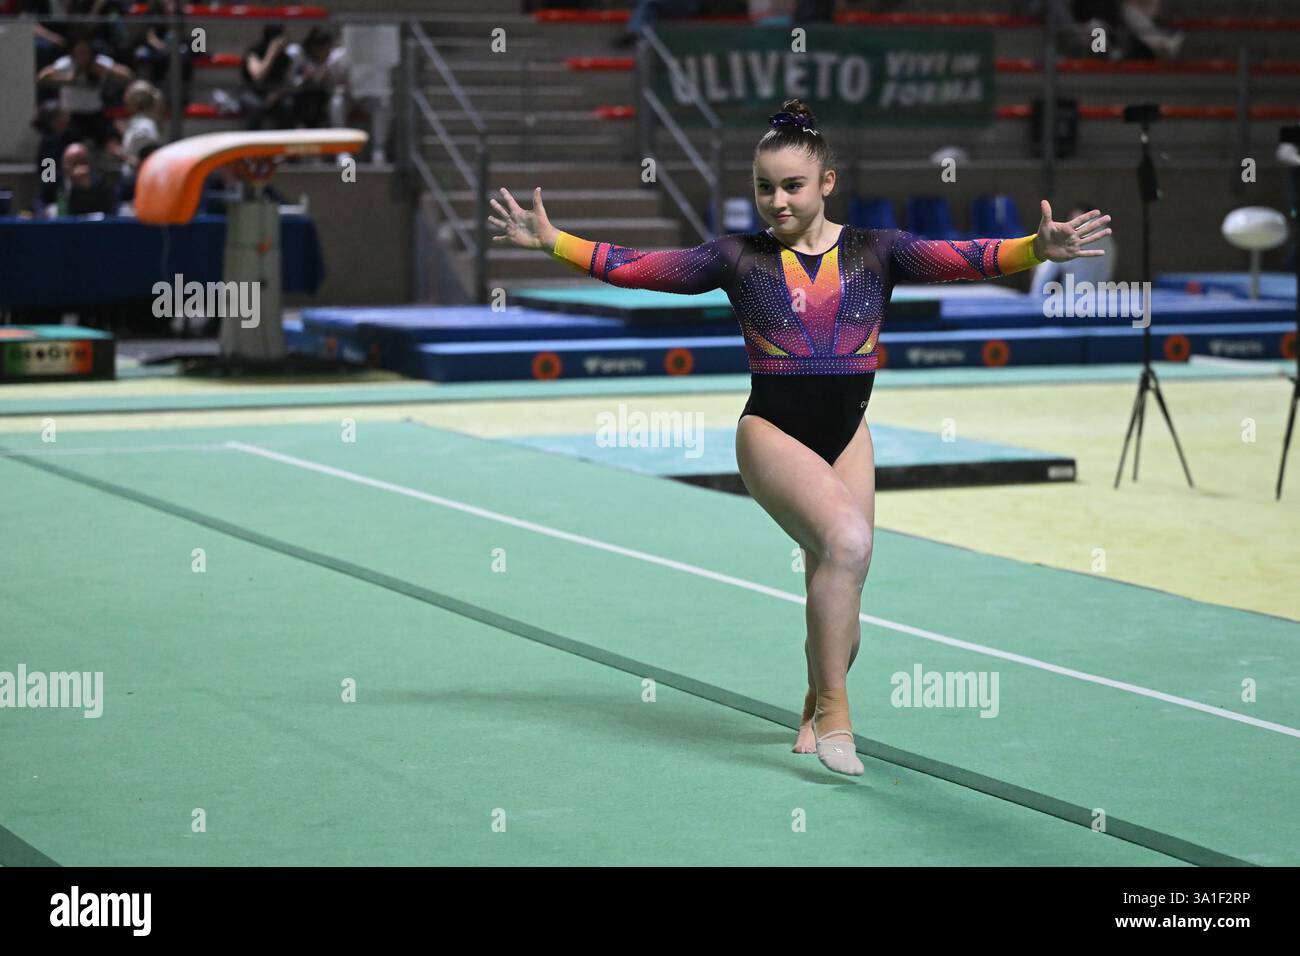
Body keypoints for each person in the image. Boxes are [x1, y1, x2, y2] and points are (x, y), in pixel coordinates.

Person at [487, 98, 1112, 778]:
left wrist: (1032, 249)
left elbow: (964, 257)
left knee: (844, 601)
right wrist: (552, 240)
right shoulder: (737, 259)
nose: (776, 200)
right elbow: (642, 266)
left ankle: (817, 696)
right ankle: (838, 715)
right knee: (848, 542)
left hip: (848, 435)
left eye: (791, 186)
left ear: (826, 184)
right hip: (771, 432)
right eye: (764, 187)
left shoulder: (880, 252)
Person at [1030, 200, 1116, 295]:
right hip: (1099, 301)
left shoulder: (1076, 234)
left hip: (1072, 301)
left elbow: (1045, 271)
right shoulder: (1110, 241)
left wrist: (1035, 297)